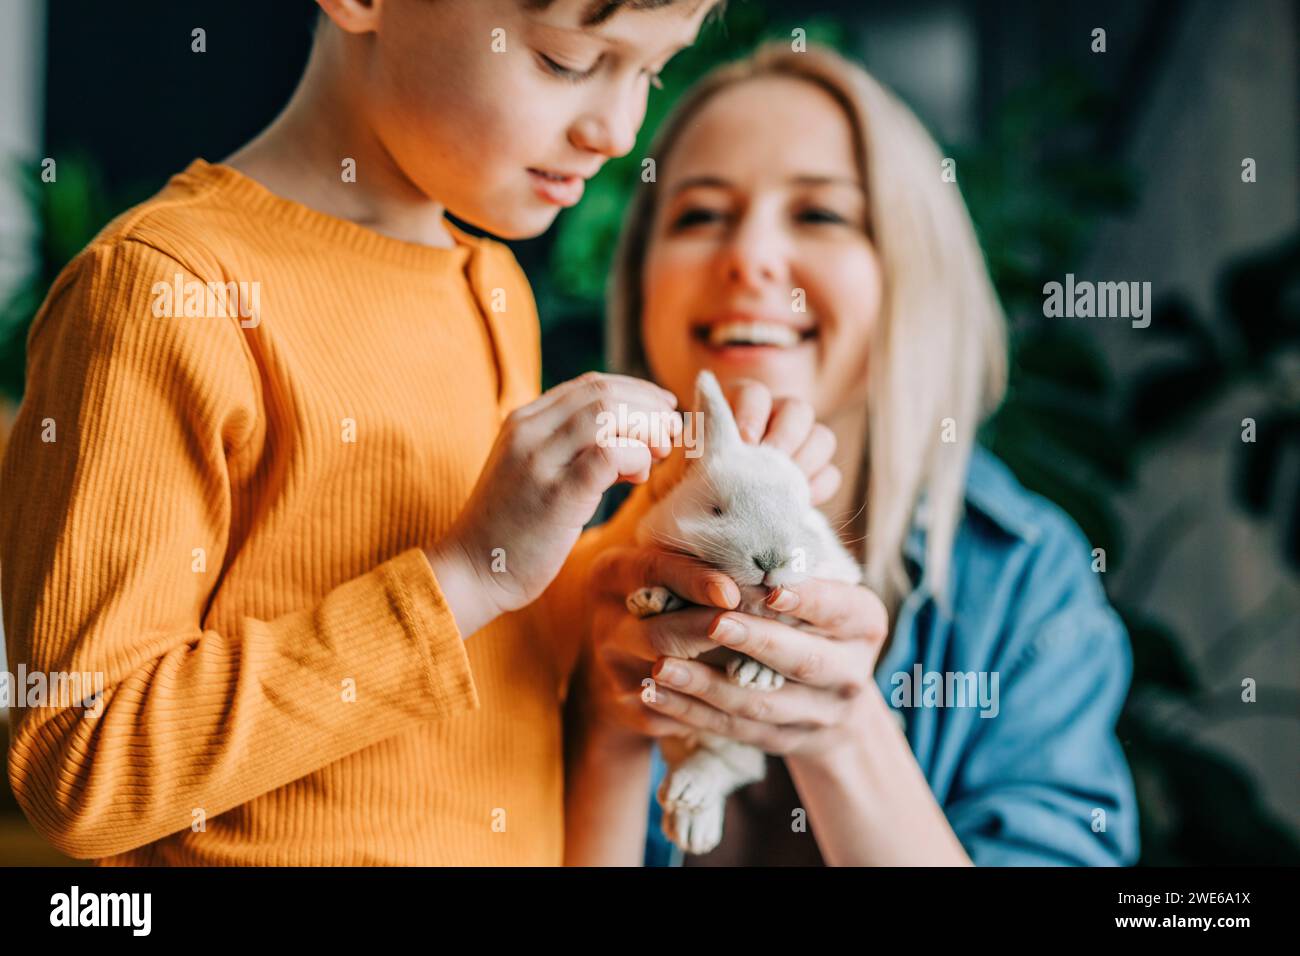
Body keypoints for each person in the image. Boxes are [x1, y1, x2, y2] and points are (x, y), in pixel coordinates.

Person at [0, 0, 789, 866]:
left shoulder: (493, 290)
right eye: (566, 60)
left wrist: (675, 538)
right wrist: (457, 576)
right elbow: (80, 767)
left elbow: (497, 650)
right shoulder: (164, 291)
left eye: (651, 72)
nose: (616, 129)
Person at [571, 41, 1141, 866]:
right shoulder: (549, 550)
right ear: (639, 280)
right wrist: (608, 726)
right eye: (698, 215)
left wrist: (841, 732)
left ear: (910, 274)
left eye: (821, 214)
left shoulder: (1019, 577)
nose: (749, 258)